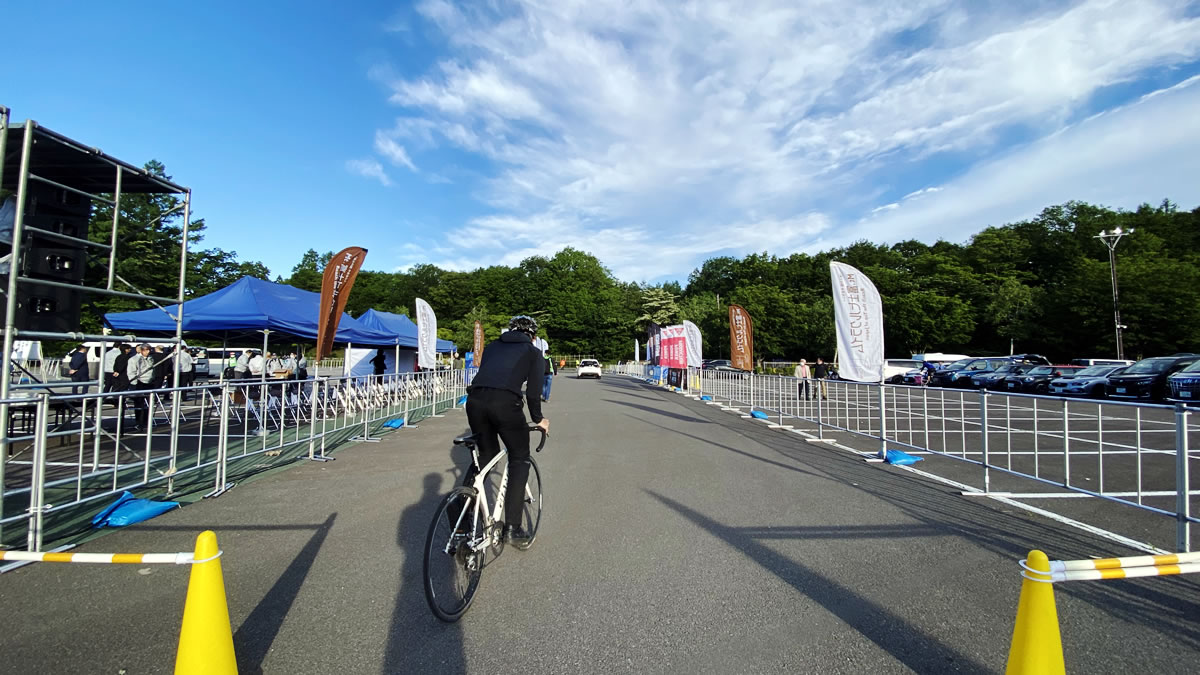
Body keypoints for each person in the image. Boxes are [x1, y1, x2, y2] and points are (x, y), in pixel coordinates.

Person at [463, 315, 550, 543]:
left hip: (475, 401)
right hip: (505, 404)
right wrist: (539, 419)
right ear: (532, 337)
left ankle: (461, 515)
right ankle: (512, 528)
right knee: (519, 458)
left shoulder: (492, 346)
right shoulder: (533, 353)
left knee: (486, 457)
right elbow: (532, 392)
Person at [126, 343, 157, 429]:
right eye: (146, 350)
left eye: (149, 350)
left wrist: (153, 378)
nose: (148, 352)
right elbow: (131, 372)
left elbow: (153, 369)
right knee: (139, 404)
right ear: (142, 350)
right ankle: (139, 422)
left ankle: (146, 421)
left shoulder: (150, 358)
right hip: (139, 383)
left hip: (149, 382)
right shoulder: (134, 359)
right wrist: (135, 382)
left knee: (148, 403)